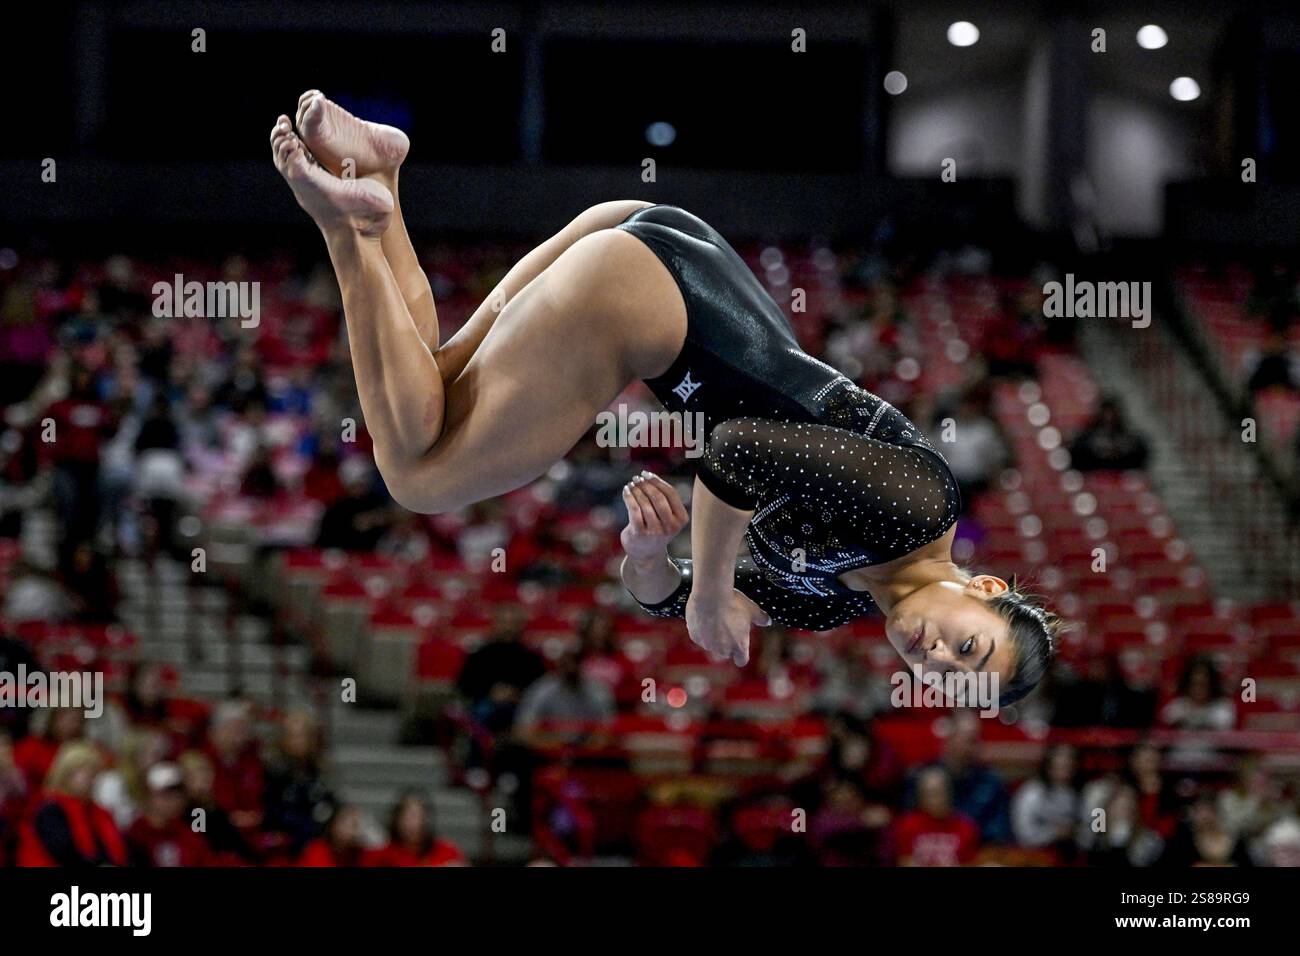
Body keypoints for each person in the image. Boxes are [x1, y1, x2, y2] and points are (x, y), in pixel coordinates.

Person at [268, 93, 1058, 705]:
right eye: (969, 649)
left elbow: (666, 601)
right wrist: (713, 592)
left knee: (427, 400)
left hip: (658, 256)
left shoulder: (828, 605)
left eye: (945, 681)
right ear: (985, 591)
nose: (936, 660)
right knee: (419, 477)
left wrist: (653, 558)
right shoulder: (919, 508)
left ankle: (379, 173)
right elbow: (737, 453)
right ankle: (346, 224)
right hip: (649, 308)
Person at [16, 741, 127, 867]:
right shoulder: (49, 810)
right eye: (83, 770)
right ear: (65, 774)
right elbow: (64, 852)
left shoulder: (98, 813)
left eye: (93, 771)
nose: (90, 777)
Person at [1011, 743, 1080, 856]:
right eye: (1060, 765)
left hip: (1070, 853)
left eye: (1069, 765)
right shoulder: (1031, 793)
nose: (1065, 770)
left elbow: (1091, 829)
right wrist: (1054, 833)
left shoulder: (1078, 793)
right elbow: (1023, 834)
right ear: (1048, 765)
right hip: (1034, 854)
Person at [366, 792, 466, 867]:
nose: (414, 824)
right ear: (396, 820)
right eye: (408, 817)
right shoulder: (381, 856)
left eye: (419, 817)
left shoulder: (447, 851)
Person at [1067, 396, 1149, 472]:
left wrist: (1120, 449)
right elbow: (1076, 453)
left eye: (1112, 414)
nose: (1109, 418)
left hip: (1120, 472)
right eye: (1106, 414)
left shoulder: (1128, 437)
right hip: (1094, 472)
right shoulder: (1087, 436)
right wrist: (1096, 448)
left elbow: (1140, 453)